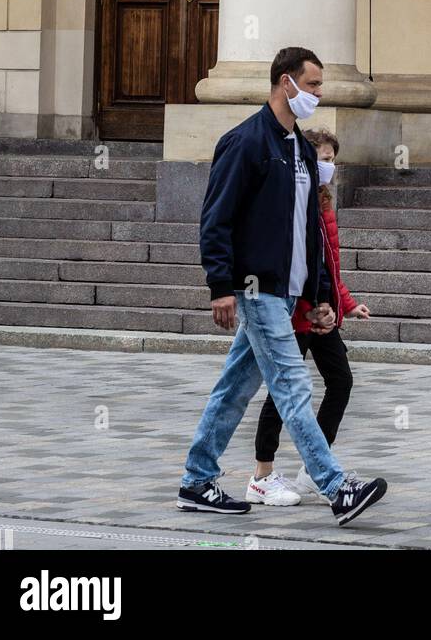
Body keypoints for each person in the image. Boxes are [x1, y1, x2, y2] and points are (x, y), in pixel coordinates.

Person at [176, 46, 387, 528]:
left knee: (234, 388)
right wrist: (221, 285)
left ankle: (196, 480)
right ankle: (337, 489)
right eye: (312, 85)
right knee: (292, 384)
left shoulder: (301, 151)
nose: (317, 94)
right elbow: (216, 219)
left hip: (289, 292)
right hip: (255, 289)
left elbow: (310, 230)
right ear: (285, 82)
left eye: (319, 87)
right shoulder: (246, 143)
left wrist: (317, 299)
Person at [247, 128, 371, 506]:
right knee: (283, 394)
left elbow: (328, 267)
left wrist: (345, 303)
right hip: (300, 314)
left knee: (341, 381)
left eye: (333, 159)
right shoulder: (297, 204)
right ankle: (261, 475)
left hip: (324, 312)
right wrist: (310, 308)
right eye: (322, 159)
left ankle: (313, 468)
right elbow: (295, 267)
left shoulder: (323, 202)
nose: (328, 166)